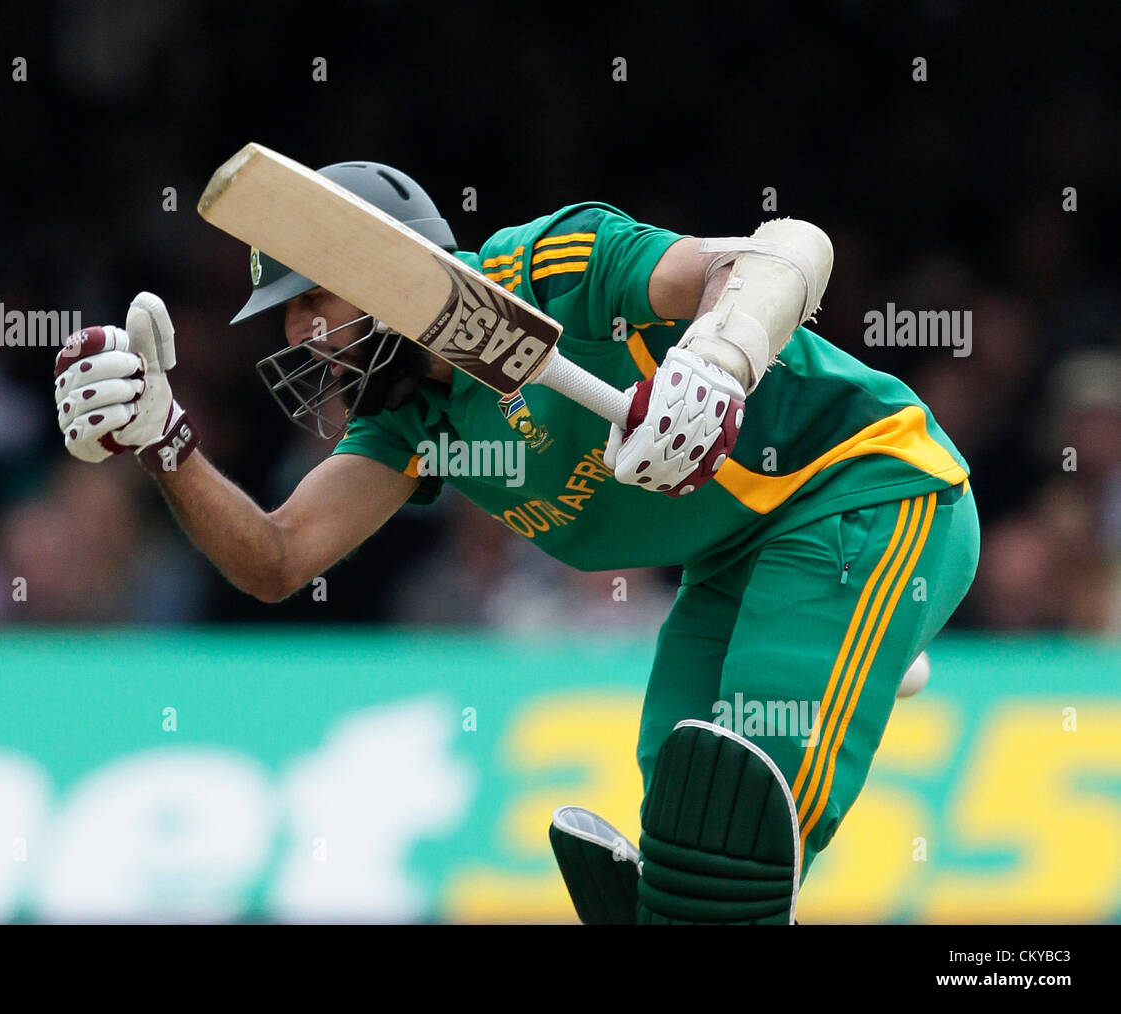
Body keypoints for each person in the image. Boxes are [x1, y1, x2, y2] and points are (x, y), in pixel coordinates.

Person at [52, 160, 980, 924]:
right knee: (688, 807)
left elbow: (788, 249)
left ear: (391, 266)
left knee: (740, 825)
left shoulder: (549, 269)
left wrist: (714, 365)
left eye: (313, 299)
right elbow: (276, 559)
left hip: (872, 490)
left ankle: (864, 637)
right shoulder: (408, 423)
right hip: (738, 556)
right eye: (287, 314)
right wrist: (164, 443)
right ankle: (858, 655)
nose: (300, 335)